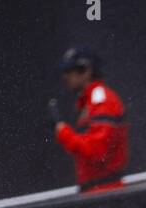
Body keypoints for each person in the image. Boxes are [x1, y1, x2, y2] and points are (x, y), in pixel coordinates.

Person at [48, 46, 129, 193]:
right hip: (98, 193)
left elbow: (98, 152)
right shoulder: (89, 102)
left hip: (106, 194)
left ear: (86, 70)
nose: (65, 77)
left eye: (69, 71)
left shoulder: (101, 100)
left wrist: (63, 132)